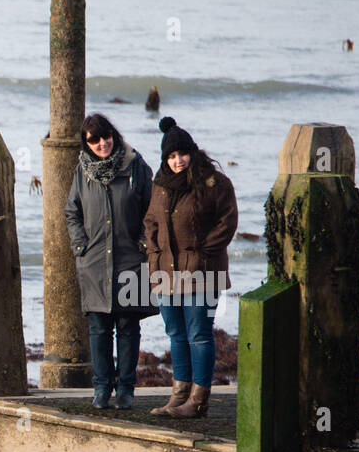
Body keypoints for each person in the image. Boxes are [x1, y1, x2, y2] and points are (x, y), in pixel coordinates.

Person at [142, 116, 238, 419]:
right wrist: (154, 250)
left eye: (182, 154)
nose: (177, 161)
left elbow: (228, 220)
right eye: (171, 156)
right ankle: (178, 395)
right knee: (176, 334)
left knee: (198, 334)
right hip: (166, 272)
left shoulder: (213, 183)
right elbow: (150, 222)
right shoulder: (160, 185)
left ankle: (198, 401)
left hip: (202, 272)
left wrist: (205, 250)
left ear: (192, 152)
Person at [64, 113, 156, 409]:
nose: (102, 143)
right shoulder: (82, 170)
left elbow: (153, 209)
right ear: (87, 143)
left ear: (113, 135)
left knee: (129, 326)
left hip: (131, 258)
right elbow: (72, 211)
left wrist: (144, 242)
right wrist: (80, 244)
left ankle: (126, 390)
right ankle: (102, 388)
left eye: (106, 137)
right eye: (94, 140)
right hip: (94, 261)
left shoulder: (135, 165)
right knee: (99, 328)